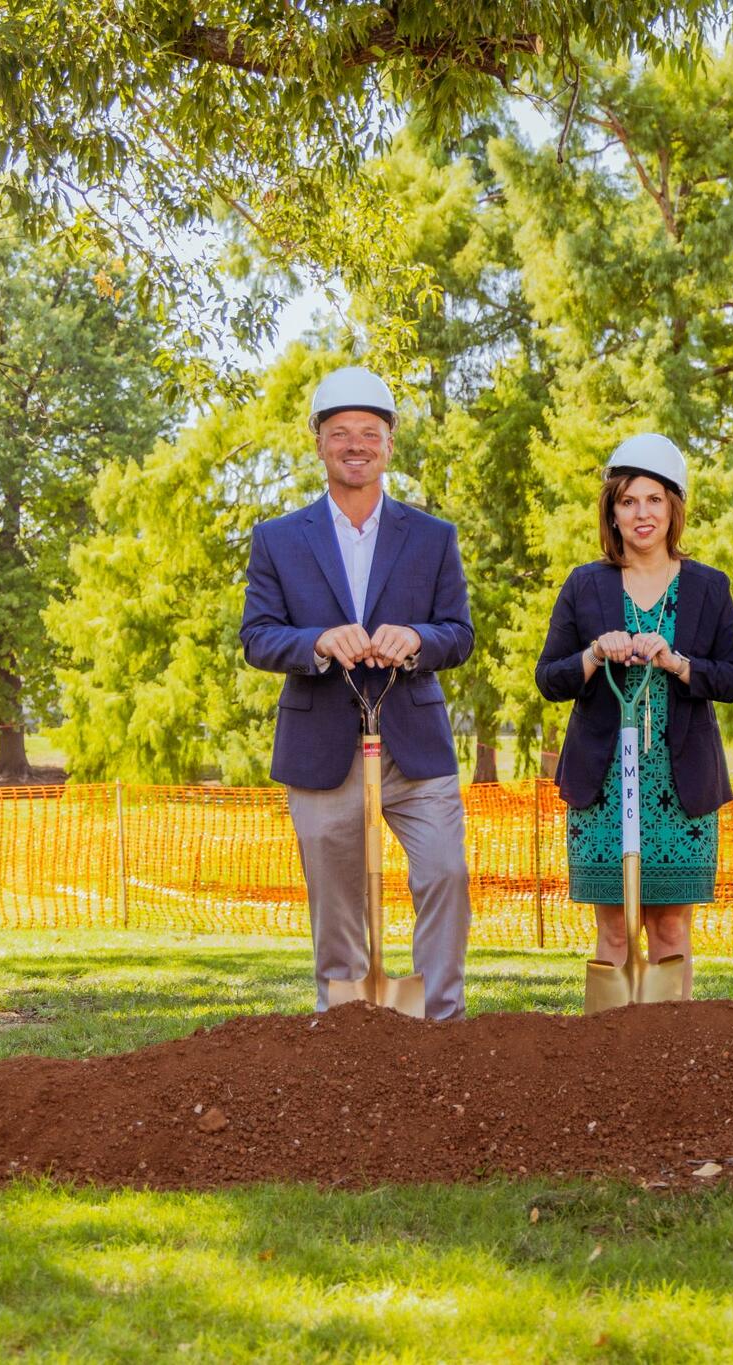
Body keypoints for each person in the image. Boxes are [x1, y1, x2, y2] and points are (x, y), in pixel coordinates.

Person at [240, 366, 476, 1020]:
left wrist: (418, 637)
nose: (355, 444)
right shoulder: (278, 539)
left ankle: (439, 1020)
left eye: (369, 433)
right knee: (337, 903)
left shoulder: (433, 537)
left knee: (446, 873)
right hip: (321, 748)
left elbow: (459, 633)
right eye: (339, 432)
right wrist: (316, 642)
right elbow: (258, 636)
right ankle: (344, 1024)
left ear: (389, 445)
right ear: (318, 443)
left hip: (415, 747)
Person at [535, 434, 733, 998]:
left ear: (673, 506)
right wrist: (593, 654)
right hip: (603, 783)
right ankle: (610, 1058)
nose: (641, 513)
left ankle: (668, 1059)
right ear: (612, 510)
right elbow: (549, 678)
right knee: (613, 930)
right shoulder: (586, 584)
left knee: (671, 925)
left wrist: (679, 664)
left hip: (681, 786)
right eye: (627, 501)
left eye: (653, 499)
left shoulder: (708, 586)